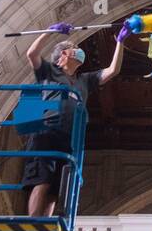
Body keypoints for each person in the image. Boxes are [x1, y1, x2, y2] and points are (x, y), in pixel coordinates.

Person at [21, 22, 125, 217]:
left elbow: (112, 70)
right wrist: (48, 32)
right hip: (46, 131)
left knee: (56, 187)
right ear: (62, 56)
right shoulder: (49, 72)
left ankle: (45, 223)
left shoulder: (84, 80)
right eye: (73, 49)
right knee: (42, 179)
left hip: (69, 137)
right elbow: (32, 54)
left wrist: (120, 41)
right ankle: (33, 222)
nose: (78, 51)